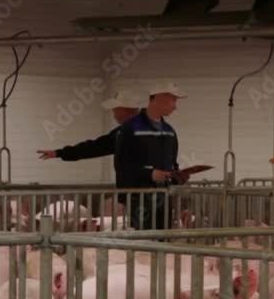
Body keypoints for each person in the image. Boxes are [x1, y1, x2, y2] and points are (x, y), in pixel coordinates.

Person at [113, 83, 190, 230]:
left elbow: (171, 164)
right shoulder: (130, 128)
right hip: (139, 197)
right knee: (143, 238)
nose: (175, 106)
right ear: (159, 98)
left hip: (163, 196)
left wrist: (177, 176)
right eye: (173, 100)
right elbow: (122, 164)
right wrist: (149, 174)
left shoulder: (169, 131)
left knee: (163, 237)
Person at [36, 90, 145, 161]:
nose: (114, 114)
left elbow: (96, 147)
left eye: (115, 110)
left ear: (125, 110)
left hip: (143, 189)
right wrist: (59, 153)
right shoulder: (122, 132)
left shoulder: (140, 131)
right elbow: (96, 147)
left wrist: (60, 153)